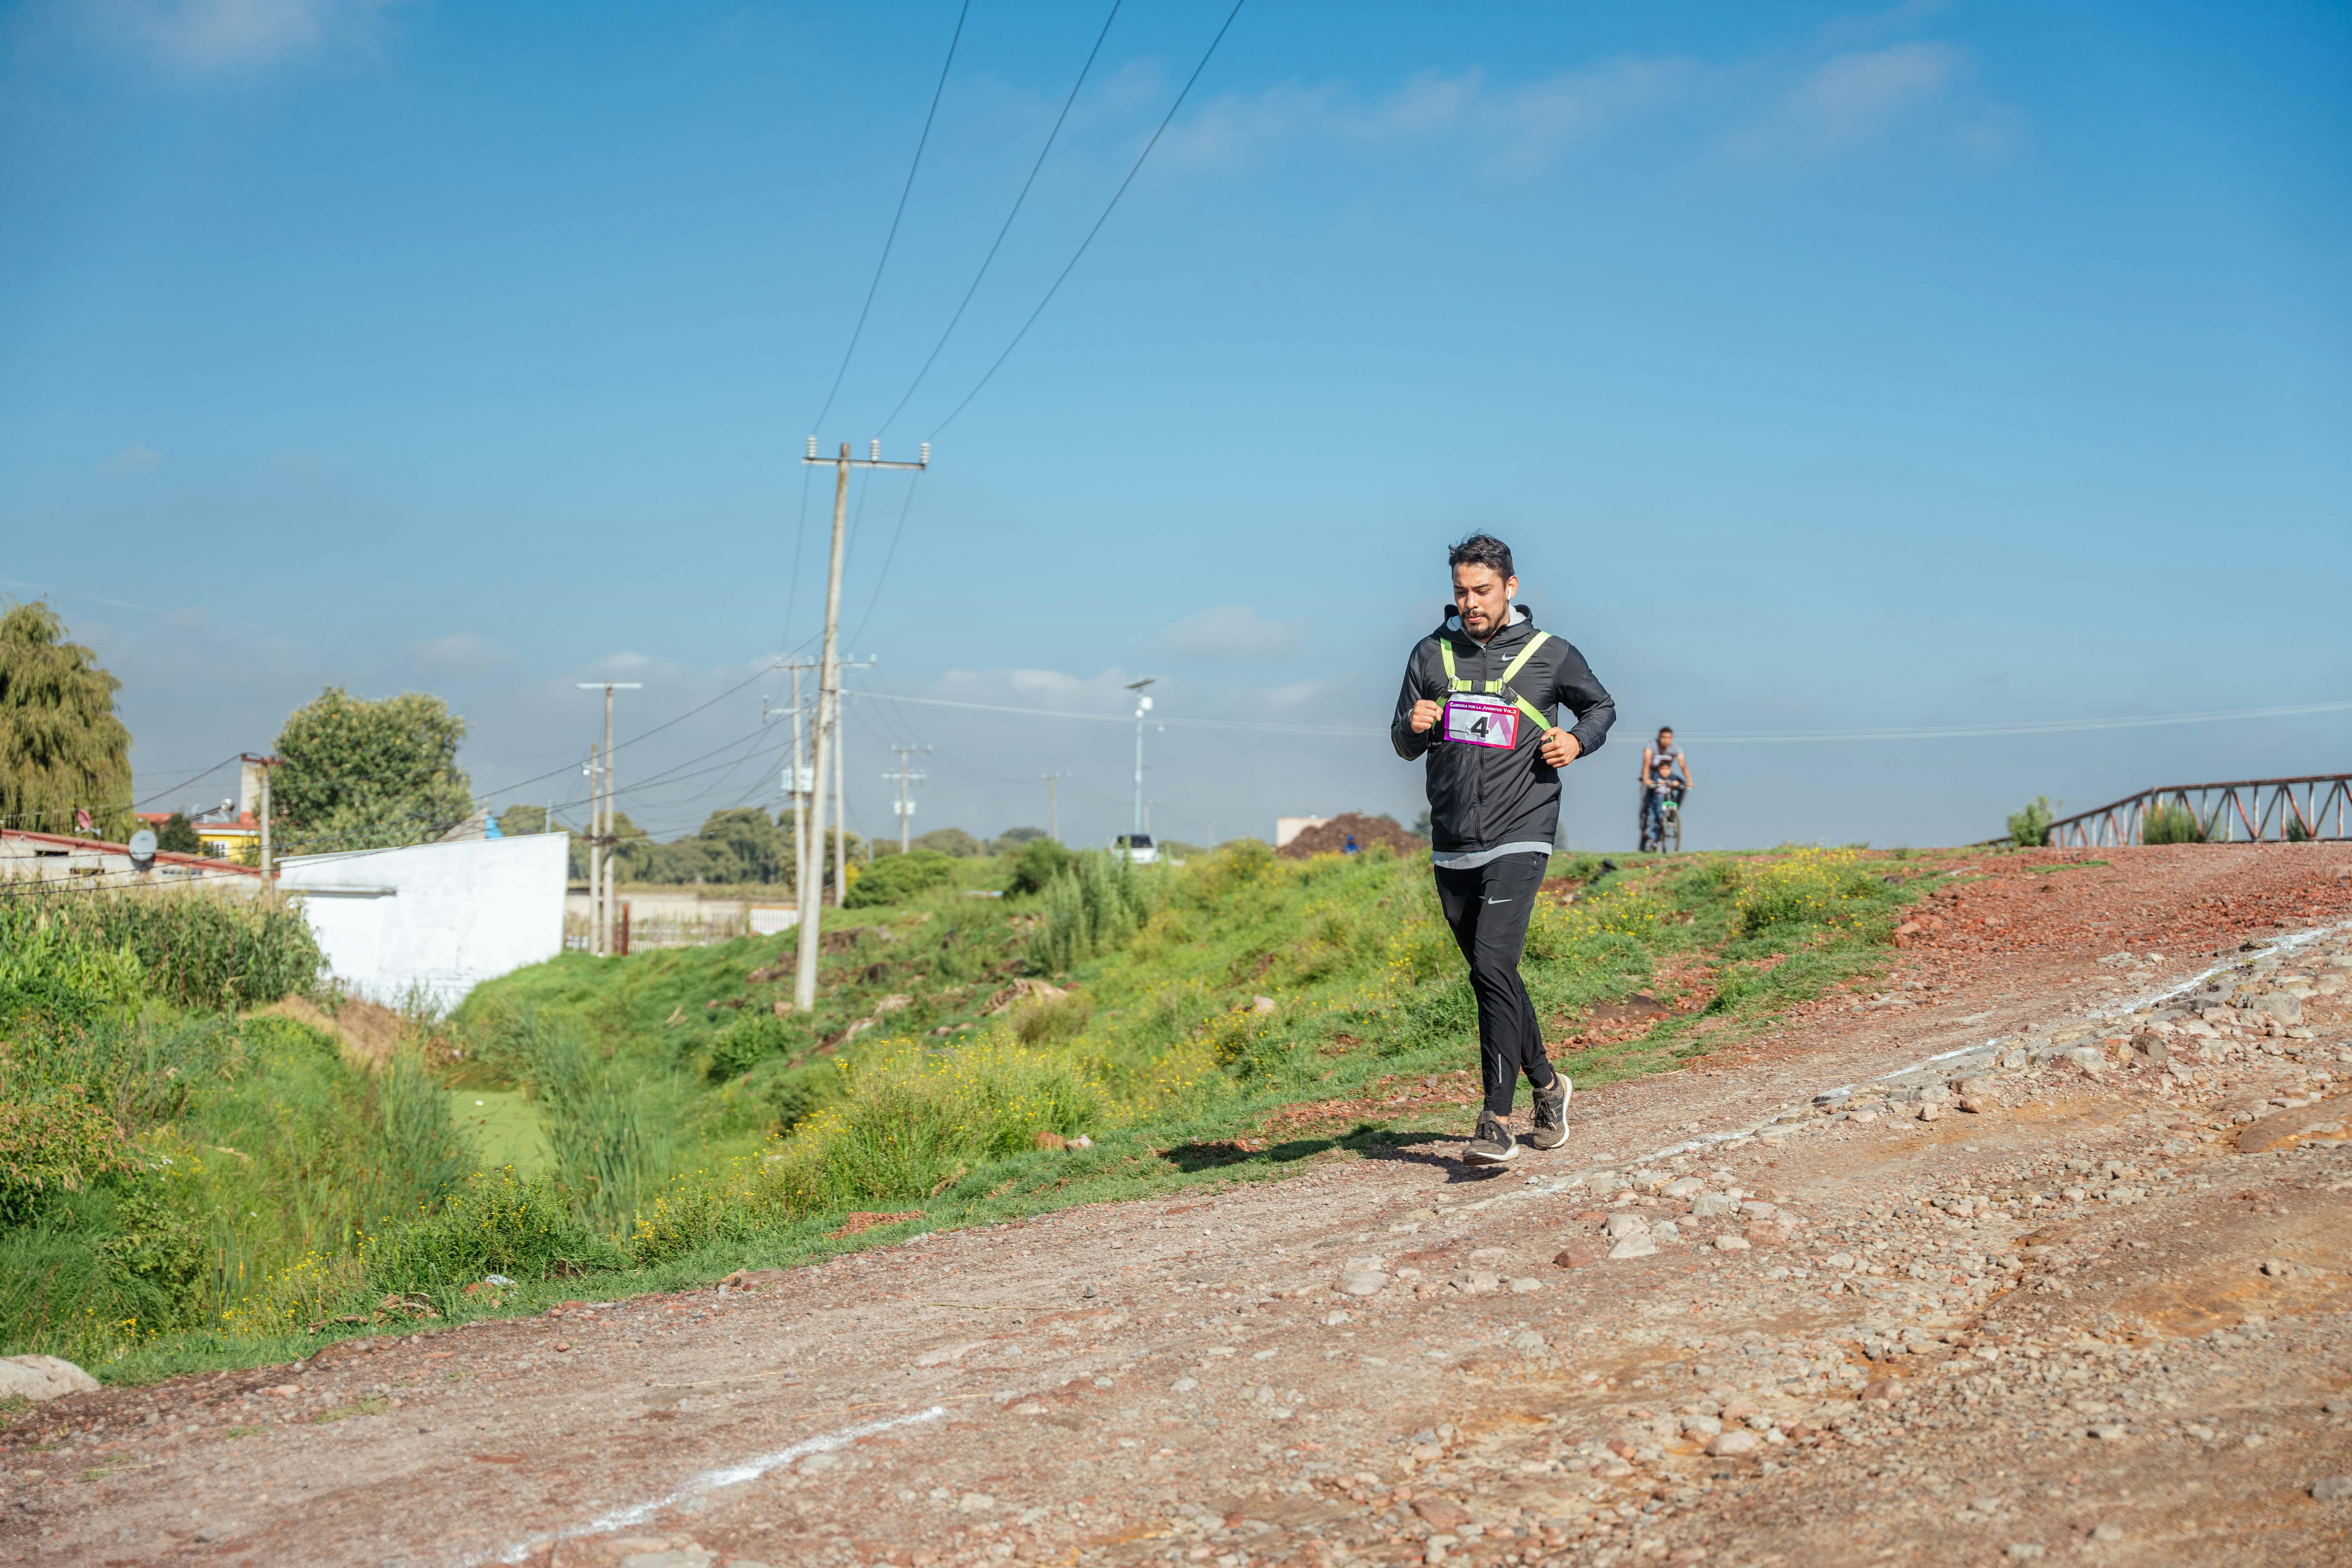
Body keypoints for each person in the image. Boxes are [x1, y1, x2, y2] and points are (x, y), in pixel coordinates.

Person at [1390, 533, 1617, 1166]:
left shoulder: (1550, 654)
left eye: (1481, 591)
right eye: (1461, 592)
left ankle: (1495, 1118)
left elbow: (1600, 706)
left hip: (1522, 827)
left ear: (1510, 589)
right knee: (1491, 975)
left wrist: (1575, 742)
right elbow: (1402, 741)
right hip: (1452, 839)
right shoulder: (1429, 655)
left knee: (1492, 964)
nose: (1470, 603)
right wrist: (1410, 728)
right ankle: (1548, 1084)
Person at [1639, 727, 1690, 852]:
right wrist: (1646, 780)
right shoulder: (1651, 746)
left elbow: (1683, 765)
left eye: (1669, 738)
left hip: (1667, 777)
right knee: (1646, 810)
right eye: (1664, 738)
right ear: (1659, 737)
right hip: (1653, 777)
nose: (1666, 741)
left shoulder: (1675, 749)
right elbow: (1646, 763)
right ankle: (1645, 835)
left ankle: (1673, 812)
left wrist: (1689, 780)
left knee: (1683, 786)